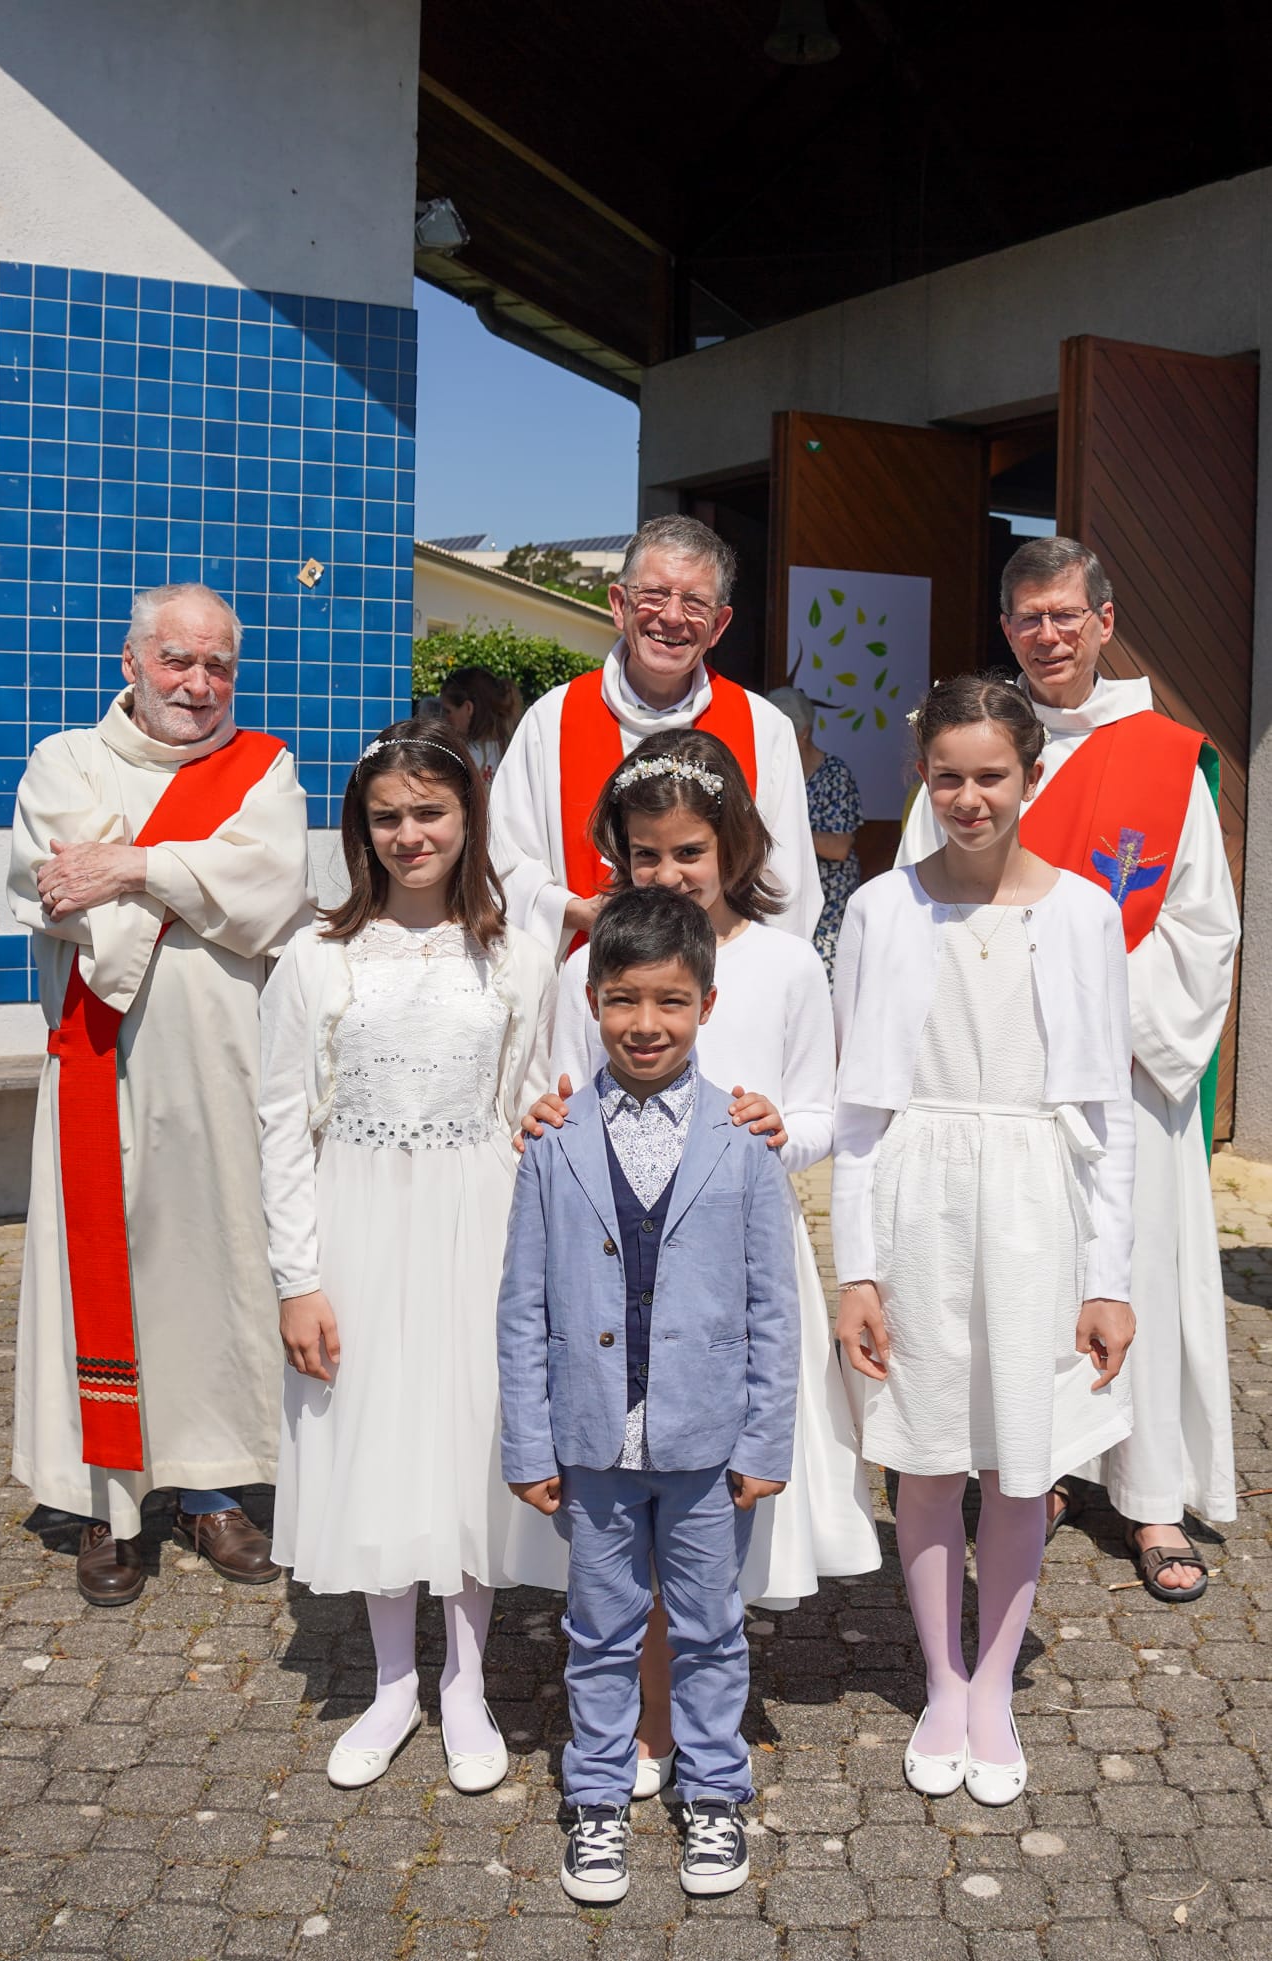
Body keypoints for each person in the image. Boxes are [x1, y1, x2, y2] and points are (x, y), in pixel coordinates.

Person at [518, 727, 880, 1800]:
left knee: (713, 1494)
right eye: (645, 856)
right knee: (627, 1495)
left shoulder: (776, 961)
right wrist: (539, 1110)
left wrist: (783, 1125)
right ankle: (634, 1695)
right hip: (614, 1286)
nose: (668, 874)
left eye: (689, 853)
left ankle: (689, 1696)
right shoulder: (593, 966)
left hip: (735, 1277)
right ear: (616, 856)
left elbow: (827, 1105)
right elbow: (546, 1095)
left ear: (732, 844)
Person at [899, 537, 1240, 1600]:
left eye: (1065, 615)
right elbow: (923, 899)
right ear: (1006, 630)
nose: (1047, 634)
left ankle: (1149, 1496)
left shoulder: (1165, 755)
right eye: (1027, 618)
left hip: (1122, 1073)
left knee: (1133, 1267)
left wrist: (1086, 1002)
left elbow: (1202, 930)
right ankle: (1030, 1468)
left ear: (1102, 619)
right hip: (1001, 1076)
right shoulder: (973, 741)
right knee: (1018, 1264)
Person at [836, 673, 1136, 1804]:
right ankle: (942, 1674)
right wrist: (855, 1266)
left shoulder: (1084, 915)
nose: (970, 796)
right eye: (948, 775)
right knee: (921, 1452)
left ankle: (996, 1681)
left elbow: (1105, 1117)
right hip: (918, 1199)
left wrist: (1106, 1277)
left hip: (1033, 1204)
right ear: (924, 774)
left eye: (991, 775)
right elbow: (861, 1111)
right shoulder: (878, 909)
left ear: (1032, 775)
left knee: (1019, 1462)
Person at [259, 720, 555, 1794]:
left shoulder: (516, 954)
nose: (408, 832)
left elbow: (533, 1101)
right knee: (374, 1432)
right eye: (386, 815)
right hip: (359, 1222)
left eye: (428, 810)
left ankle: (469, 1675)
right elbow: (283, 1121)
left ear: (468, 816)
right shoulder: (318, 954)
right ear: (359, 829)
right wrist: (298, 1276)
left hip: (479, 1220)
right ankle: (393, 1679)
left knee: (469, 1431)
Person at [7, 582, 314, 1605]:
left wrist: (132, 865)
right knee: (108, 1268)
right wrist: (189, 881)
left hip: (225, 1067)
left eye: (218, 663)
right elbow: (60, 888)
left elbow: (269, 894)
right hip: (102, 1054)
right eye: (178, 659)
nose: (199, 681)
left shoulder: (263, 767)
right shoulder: (65, 761)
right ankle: (108, 1502)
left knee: (215, 1262)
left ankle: (213, 1484)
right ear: (130, 661)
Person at [498, 887, 799, 1902]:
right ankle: (595, 1795)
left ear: (706, 1005)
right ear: (591, 999)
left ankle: (714, 1788)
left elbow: (773, 1304)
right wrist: (527, 1442)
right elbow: (522, 1302)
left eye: (670, 1001)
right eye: (623, 999)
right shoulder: (553, 1140)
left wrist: (767, 1438)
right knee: (600, 1626)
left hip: (707, 1437)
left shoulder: (745, 1139)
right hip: (592, 1437)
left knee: (711, 1625)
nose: (645, 1023)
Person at [489, 514, 822, 957]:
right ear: (619, 603)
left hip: (723, 985)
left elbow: (788, 887)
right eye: (654, 594)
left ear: (719, 625)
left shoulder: (764, 729)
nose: (671, 617)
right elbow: (502, 863)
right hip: (590, 985)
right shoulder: (552, 720)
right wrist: (572, 910)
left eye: (695, 603)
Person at [768, 686, 862, 982]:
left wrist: (783, 829)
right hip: (780, 898)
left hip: (830, 907)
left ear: (803, 733)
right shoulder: (772, 775)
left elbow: (839, 846)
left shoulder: (835, 774)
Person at [439, 666, 523, 784]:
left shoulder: (457, 759)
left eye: (448, 711)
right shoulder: (517, 751)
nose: (443, 718)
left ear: (468, 708)